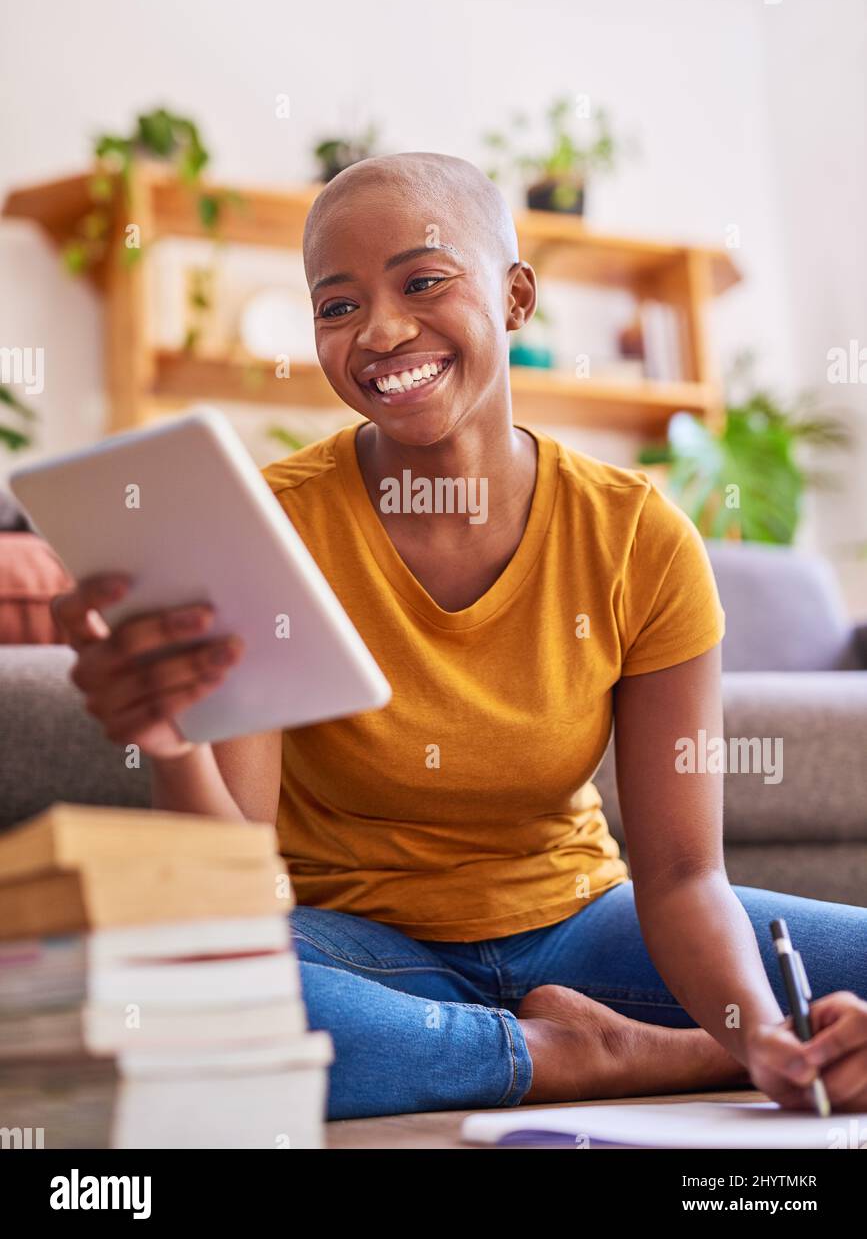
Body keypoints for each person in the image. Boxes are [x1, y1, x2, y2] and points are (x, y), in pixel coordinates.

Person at [55, 153, 867, 1121]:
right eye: (337, 305)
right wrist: (172, 744)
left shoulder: (638, 536)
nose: (381, 330)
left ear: (516, 297)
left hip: (582, 923)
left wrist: (761, 1028)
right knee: (163, 1004)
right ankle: (594, 1056)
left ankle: (561, 1046)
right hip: (347, 944)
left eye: (423, 281)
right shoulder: (262, 525)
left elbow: (688, 877)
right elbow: (226, 890)